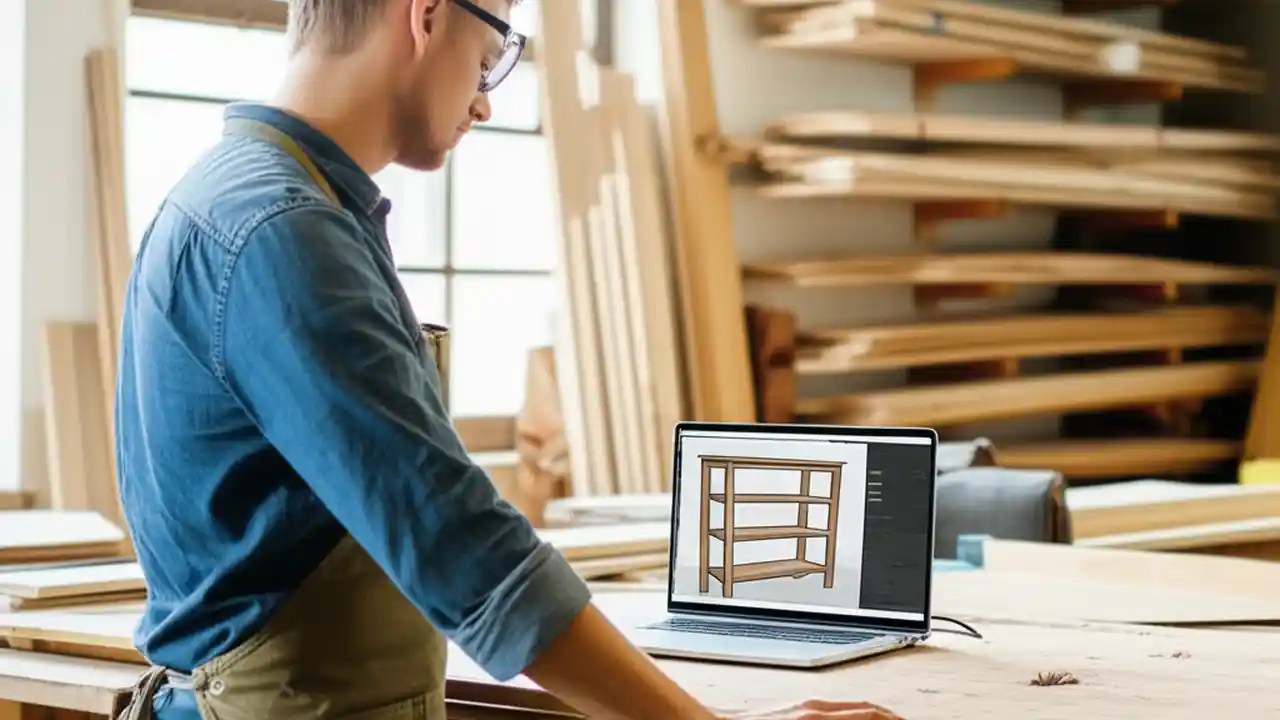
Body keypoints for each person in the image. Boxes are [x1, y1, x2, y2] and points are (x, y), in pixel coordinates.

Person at [113, 0, 906, 718]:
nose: (486, 100)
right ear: (426, 15)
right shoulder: (281, 230)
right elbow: (461, 548)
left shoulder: (254, 200)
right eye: (489, 56)